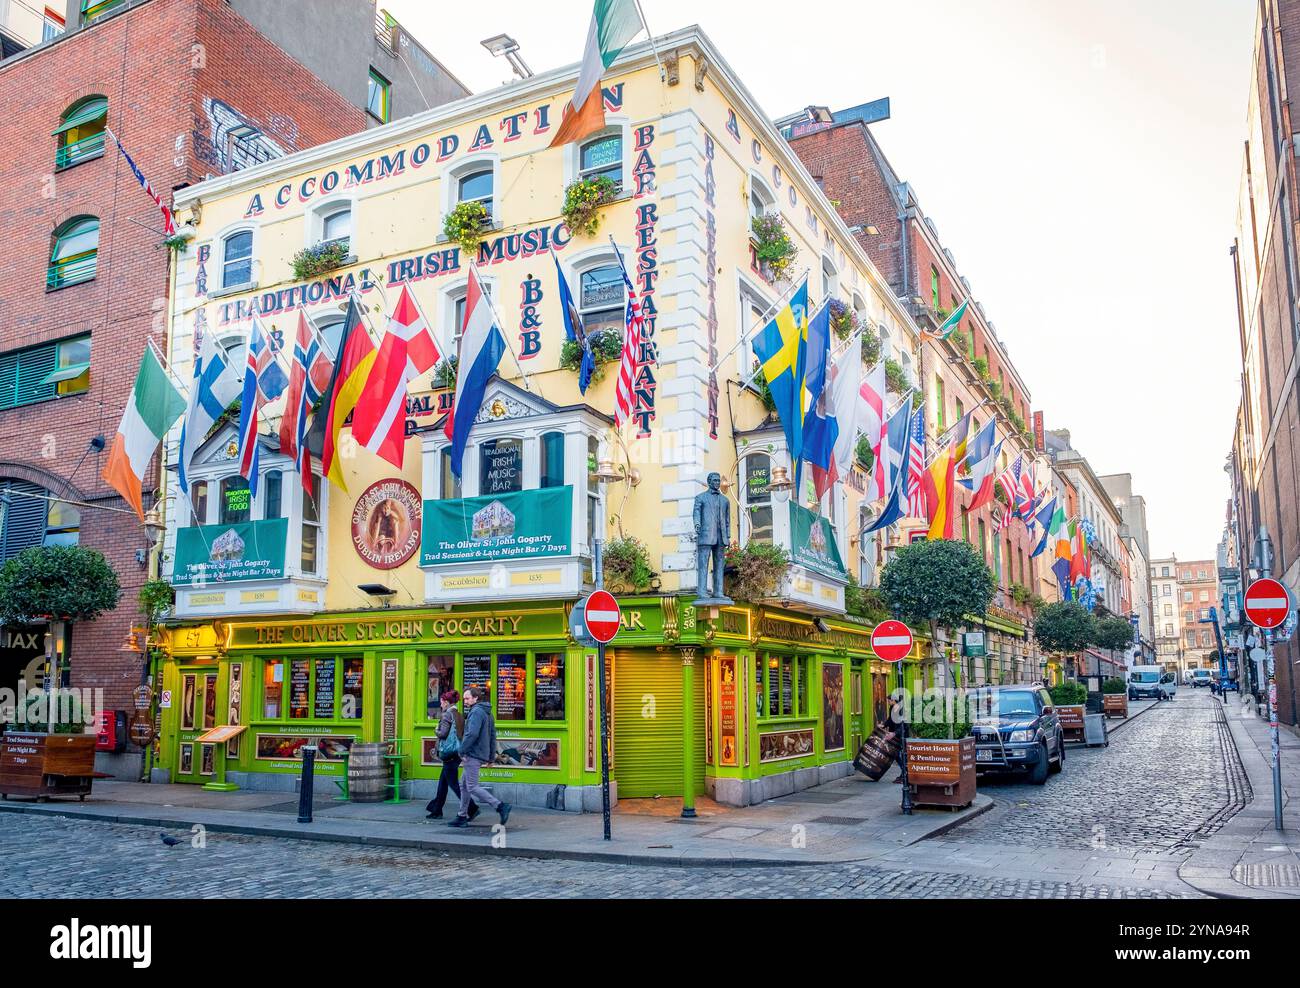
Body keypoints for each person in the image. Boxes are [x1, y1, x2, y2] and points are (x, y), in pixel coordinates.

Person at [449, 686, 511, 828]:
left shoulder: (476, 712)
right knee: (463, 785)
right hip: (479, 753)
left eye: (467, 698)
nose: (464, 701)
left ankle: (500, 806)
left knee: (472, 786)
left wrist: (462, 751)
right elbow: (492, 735)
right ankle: (462, 815)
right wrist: (490, 757)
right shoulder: (487, 712)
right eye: (464, 698)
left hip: (472, 753)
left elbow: (472, 734)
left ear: (476, 698)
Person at [425, 690, 476, 821]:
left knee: (453, 784)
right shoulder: (459, 714)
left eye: (441, 702)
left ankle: (472, 808)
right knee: (443, 782)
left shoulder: (447, 715)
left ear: (446, 702)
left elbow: (443, 733)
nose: (441, 705)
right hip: (457, 752)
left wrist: (435, 730)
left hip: (449, 753)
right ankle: (437, 810)